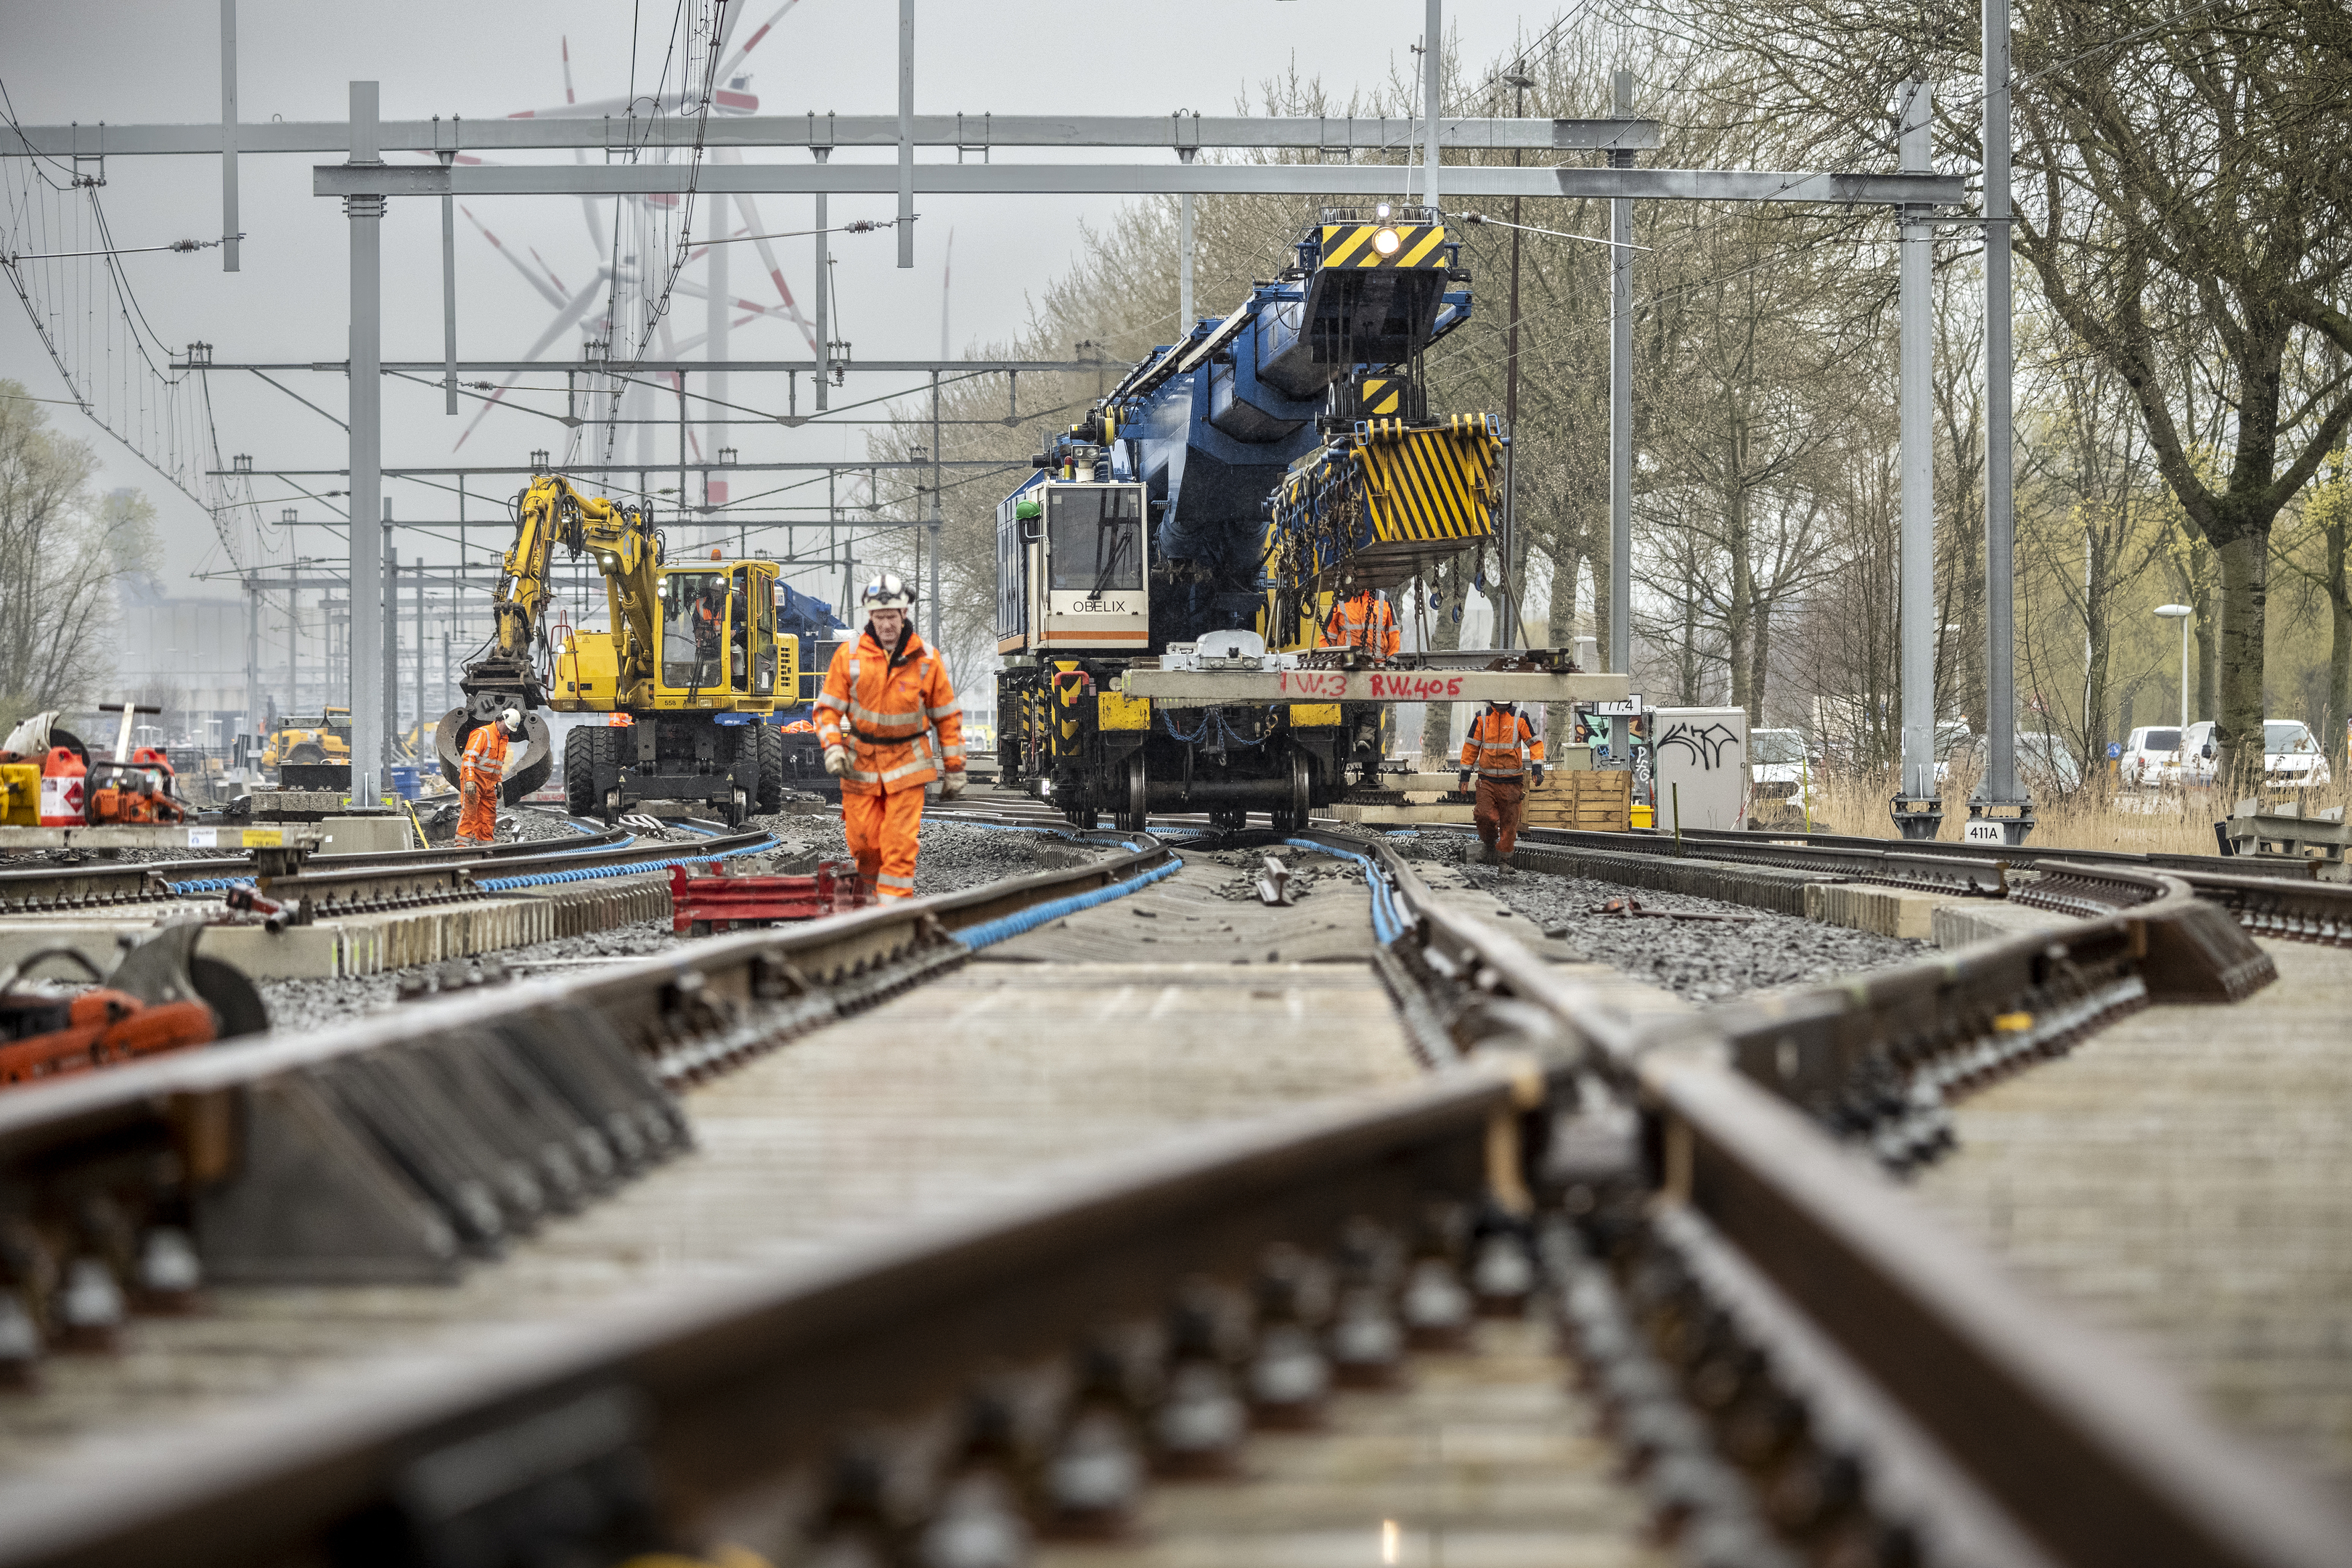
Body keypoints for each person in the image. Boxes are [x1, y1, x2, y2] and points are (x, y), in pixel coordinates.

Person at [813, 573, 965, 900]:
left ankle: (893, 913)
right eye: (879, 617)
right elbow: (827, 710)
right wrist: (833, 748)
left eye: (891, 617)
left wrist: (955, 767)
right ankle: (873, 898)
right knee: (864, 844)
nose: (886, 625)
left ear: (904, 614)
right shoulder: (849, 657)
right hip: (860, 765)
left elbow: (946, 717)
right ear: (870, 616)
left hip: (908, 765)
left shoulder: (926, 659)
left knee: (899, 845)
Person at [1458, 699, 1545, 866]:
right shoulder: (1482, 717)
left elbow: (1534, 744)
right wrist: (1464, 775)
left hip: (1512, 782)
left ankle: (1504, 861)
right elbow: (1471, 747)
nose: (1501, 708)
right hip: (1487, 780)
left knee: (1509, 823)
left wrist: (1537, 769)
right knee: (1483, 815)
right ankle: (1489, 844)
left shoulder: (1520, 717)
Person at [458, 706, 526, 846]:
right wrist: (470, 781)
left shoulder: (503, 739)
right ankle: (462, 845)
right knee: (469, 814)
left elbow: (497, 763)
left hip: (490, 784)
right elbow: (469, 759)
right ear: (501, 720)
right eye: (507, 728)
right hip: (475, 781)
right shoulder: (483, 734)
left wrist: (499, 781)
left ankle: (486, 846)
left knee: (488, 817)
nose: (508, 731)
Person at [1323, 578, 1400, 662]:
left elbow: (1393, 632)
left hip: (1378, 662)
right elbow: (1328, 635)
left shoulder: (1382, 598)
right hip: (1347, 662)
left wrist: (1392, 659)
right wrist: (1328, 660)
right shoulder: (1340, 600)